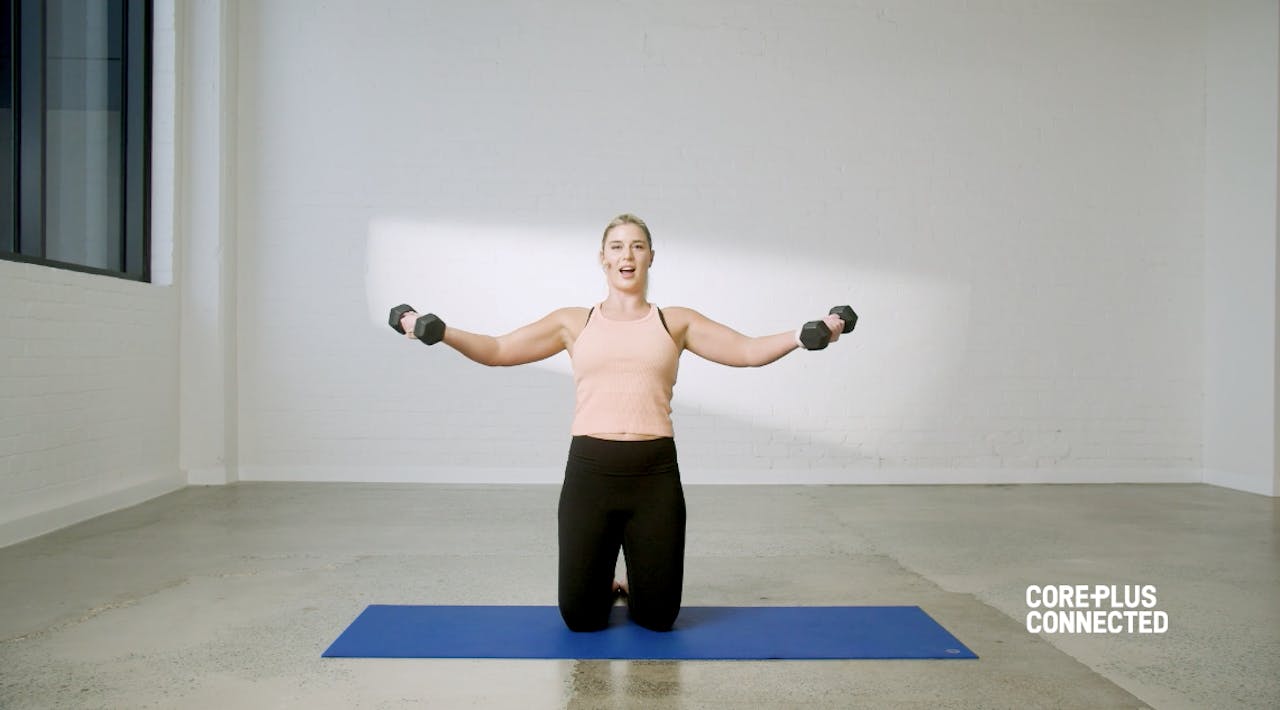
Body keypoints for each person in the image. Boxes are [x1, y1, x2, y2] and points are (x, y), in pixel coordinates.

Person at [397, 214, 849, 632]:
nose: (626, 256)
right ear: (602, 258)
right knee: (580, 618)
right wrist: (439, 331)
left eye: (636, 246)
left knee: (658, 618)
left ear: (652, 256)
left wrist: (803, 336)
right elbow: (497, 350)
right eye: (616, 247)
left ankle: (634, 584)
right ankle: (607, 583)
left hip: (654, 476)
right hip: (590, 473)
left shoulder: (676, 321)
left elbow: (747, 351)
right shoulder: (573, 322)